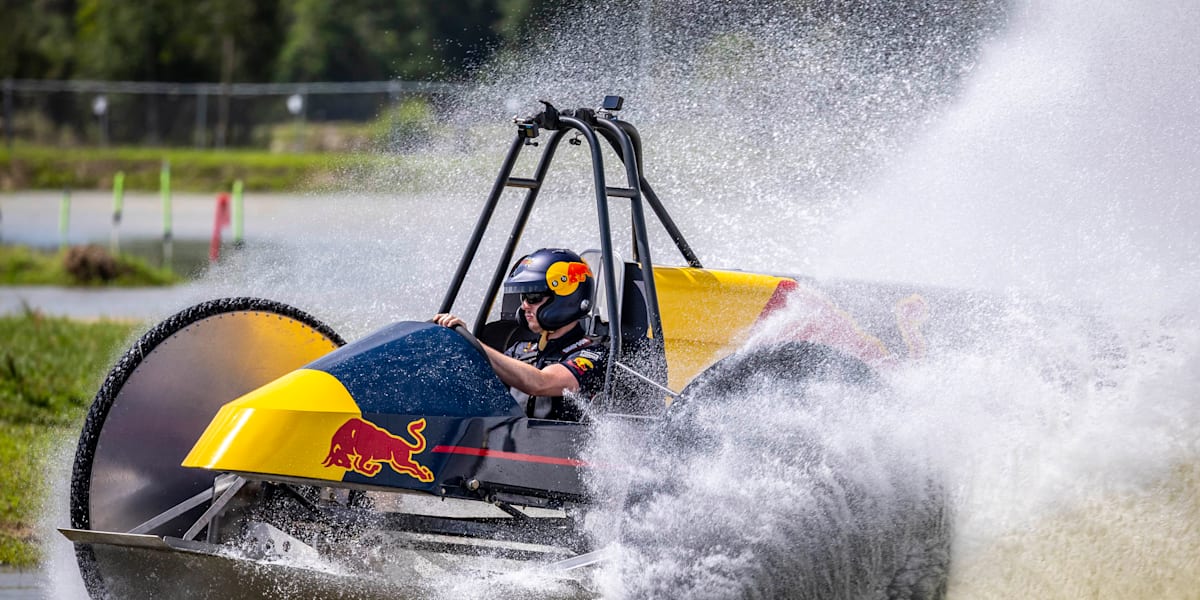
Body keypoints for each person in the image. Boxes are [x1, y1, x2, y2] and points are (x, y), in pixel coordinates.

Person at [433, 248, 609, 421]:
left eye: (533, 297)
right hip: (510, 443)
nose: (525, 305)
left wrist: (475, 344)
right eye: (524, 297)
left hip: (559, 447)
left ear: (566, 299)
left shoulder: (592, 355)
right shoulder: (520, 351)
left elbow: (541, 383)